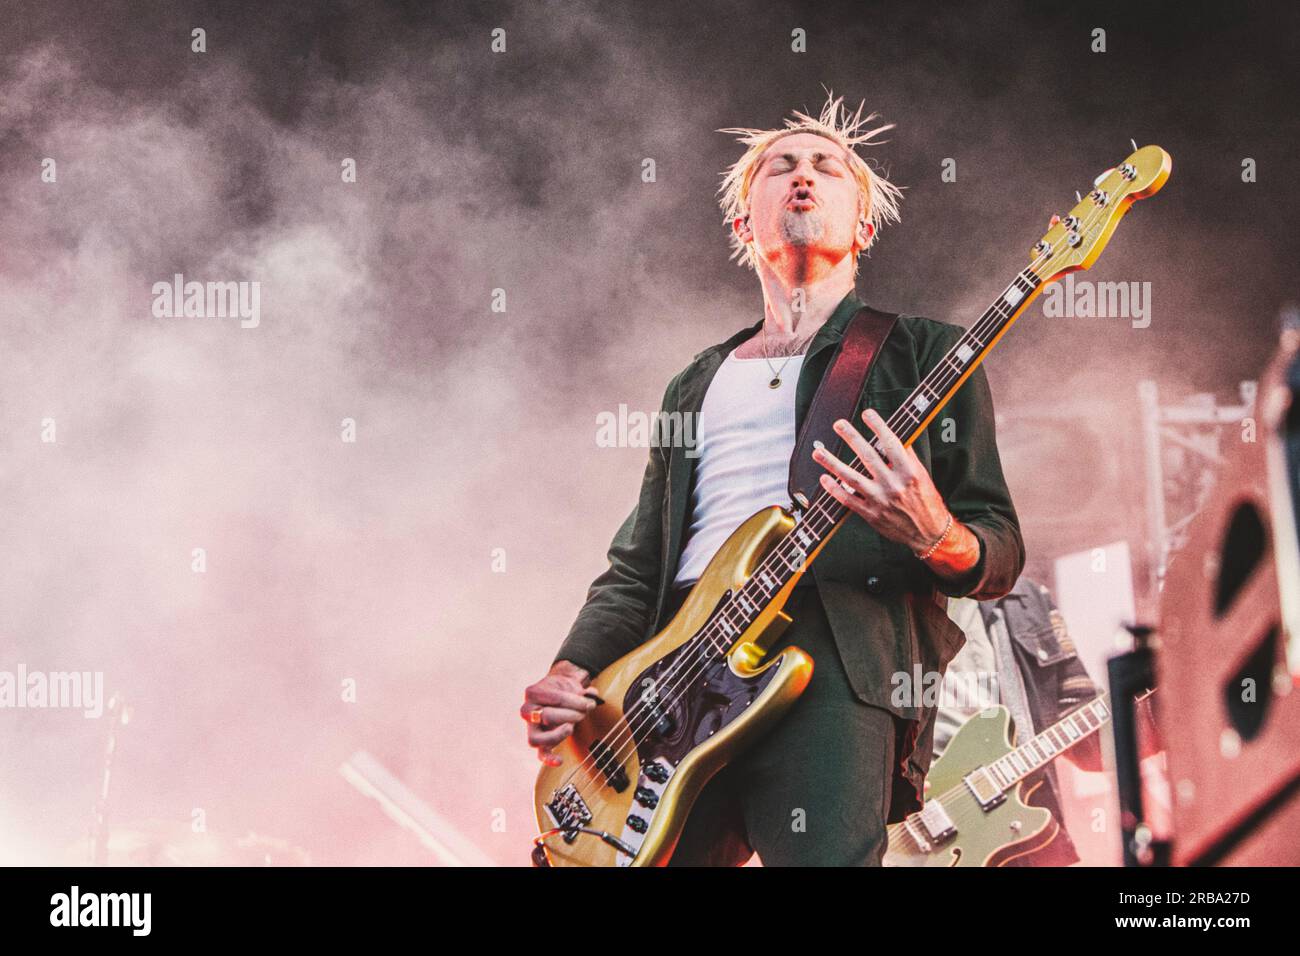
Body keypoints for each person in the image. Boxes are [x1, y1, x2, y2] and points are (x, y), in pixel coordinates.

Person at [522, 93, 1025, 865]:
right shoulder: (695, 382)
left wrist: (936, 533)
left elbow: (995, 550)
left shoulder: (923, 352)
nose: (804, 175)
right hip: (666, 682)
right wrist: (572, 670)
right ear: (742, 226)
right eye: (780, 165)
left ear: (863, 225)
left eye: (828, 167)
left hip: (834, 658)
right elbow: (635, 568)